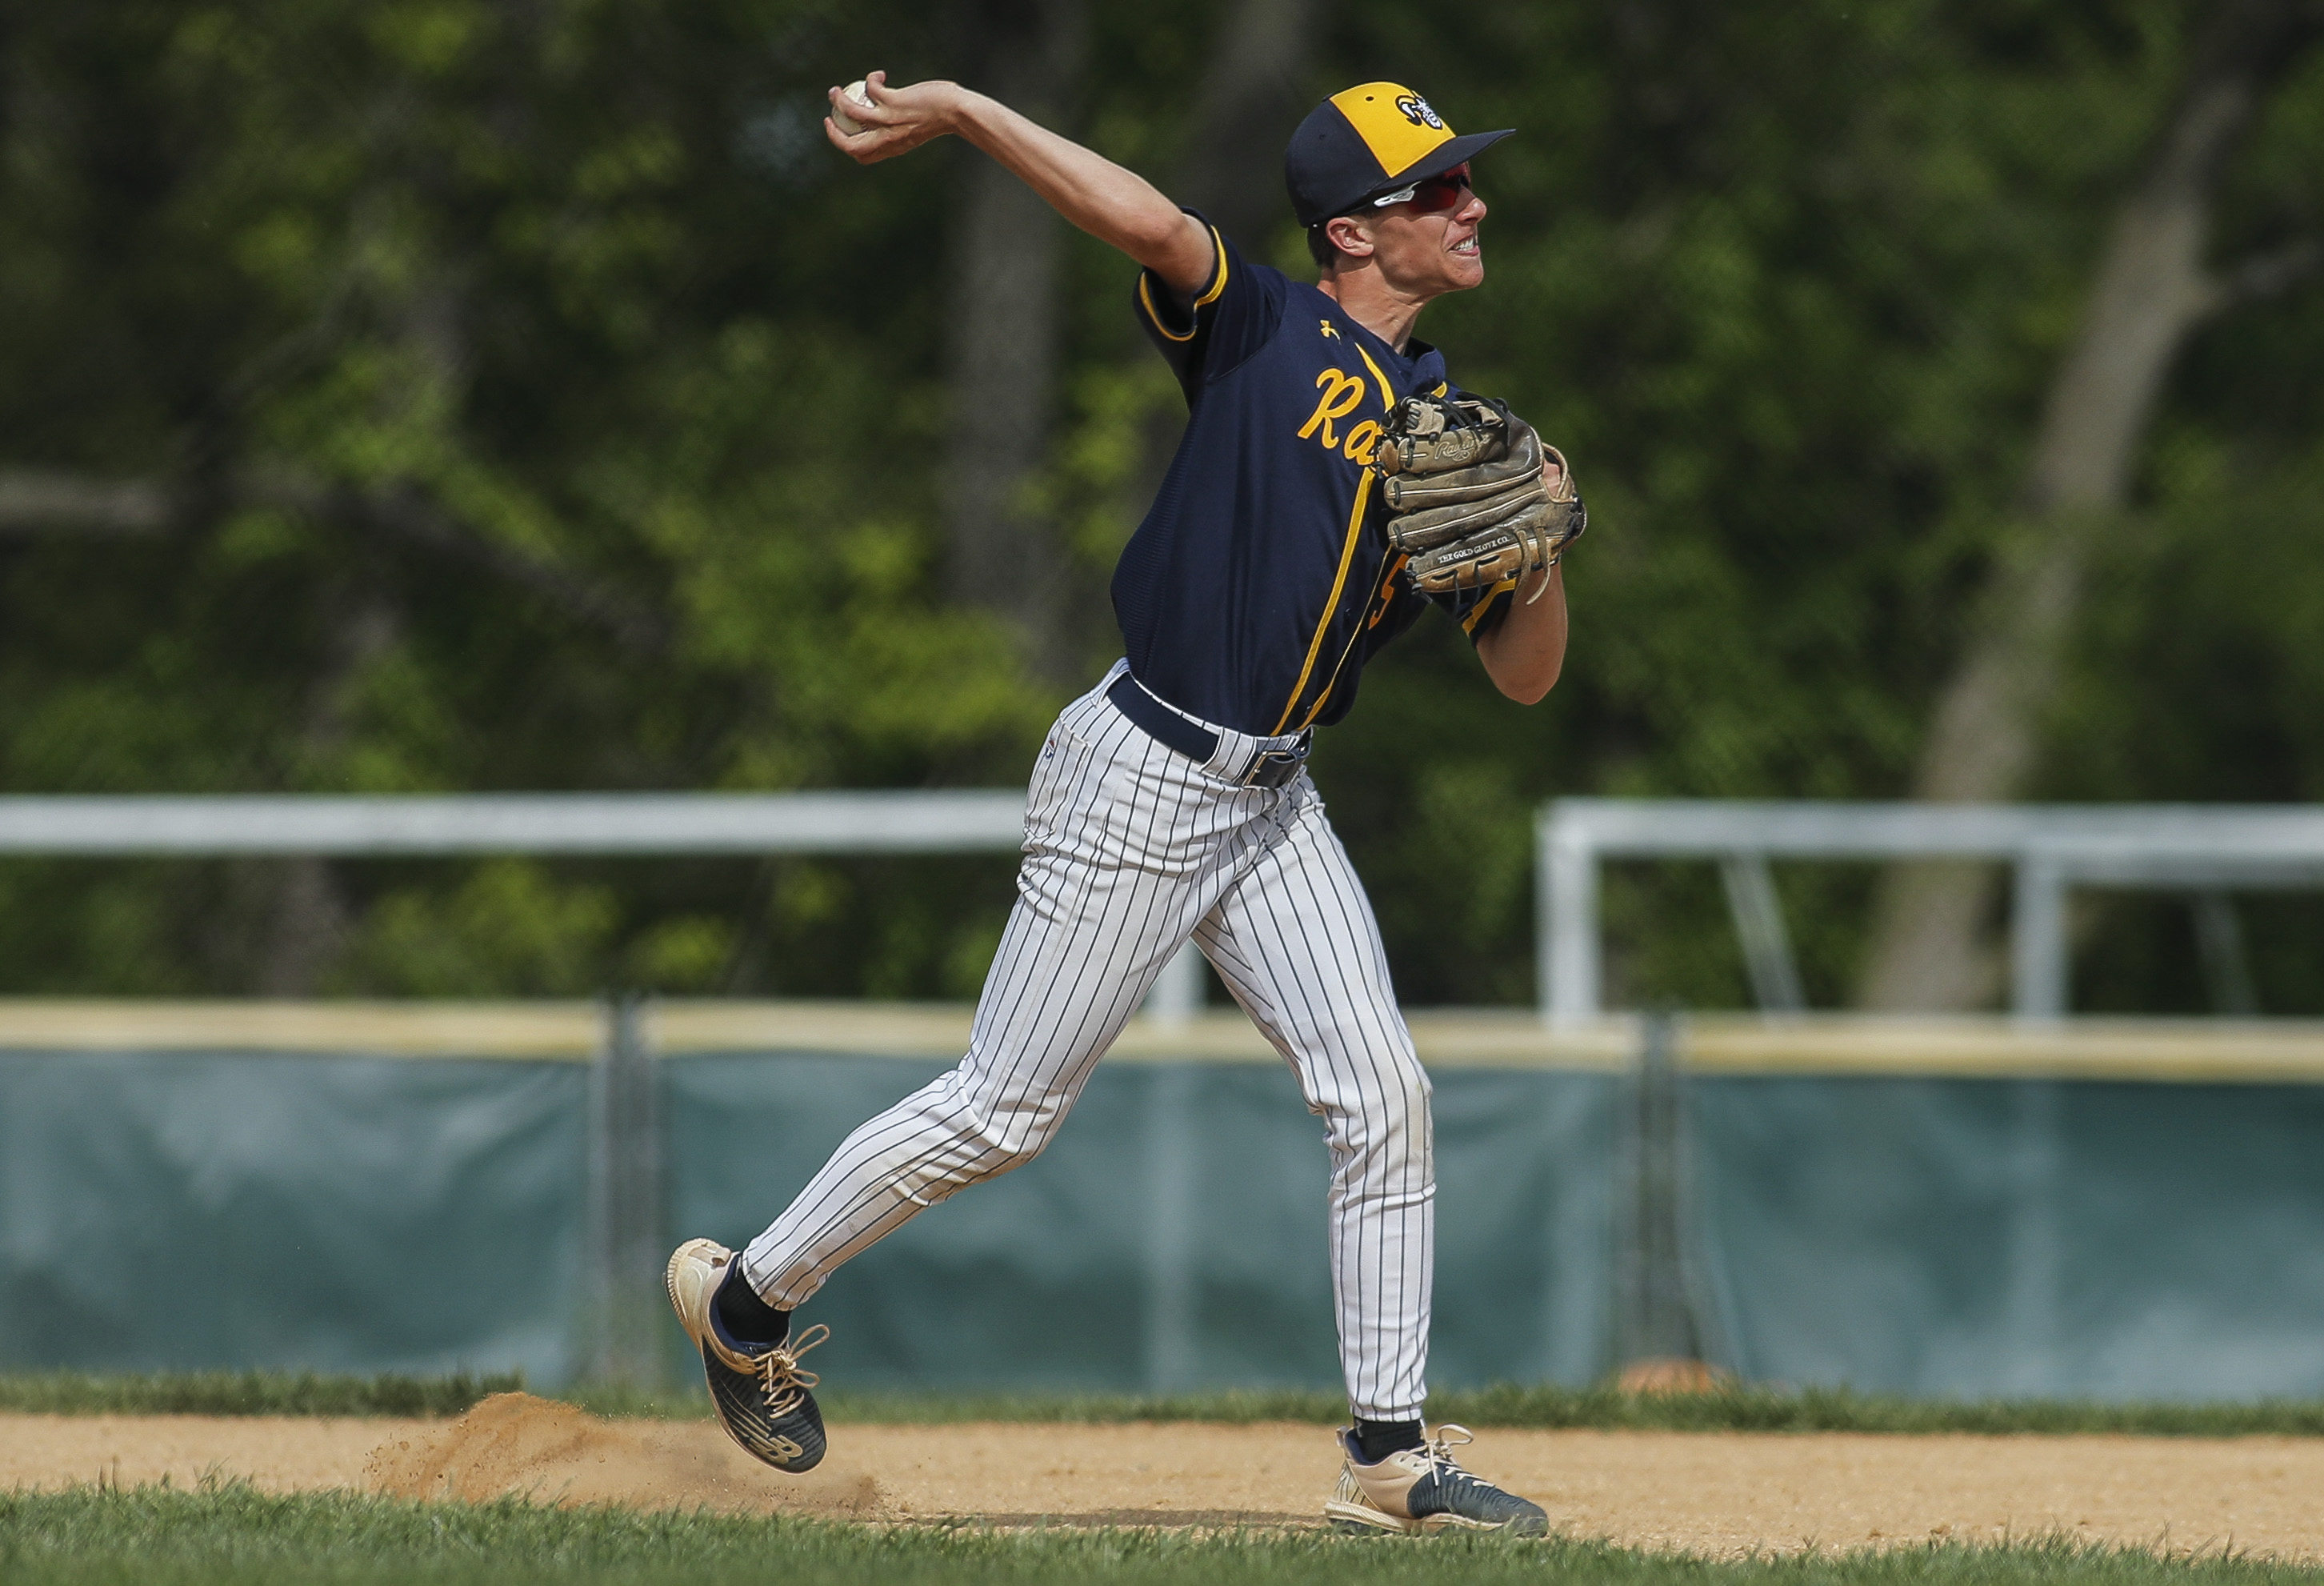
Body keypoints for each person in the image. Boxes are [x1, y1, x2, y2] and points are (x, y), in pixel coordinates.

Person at [664, 73, 1570, 1536]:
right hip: (1142, 772)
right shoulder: (1264, 326)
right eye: (1436, 190)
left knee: (1382, 1093)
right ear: (1351, 229)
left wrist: (1534, 559)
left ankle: (1389, 1455)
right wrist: (965, 110)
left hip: (1275, 799)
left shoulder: (1446, 426)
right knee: (1006, 1110)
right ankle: (748, 1302)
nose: (1470, 204)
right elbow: (1146, 220)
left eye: (1466, 182)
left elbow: (1524, 679)